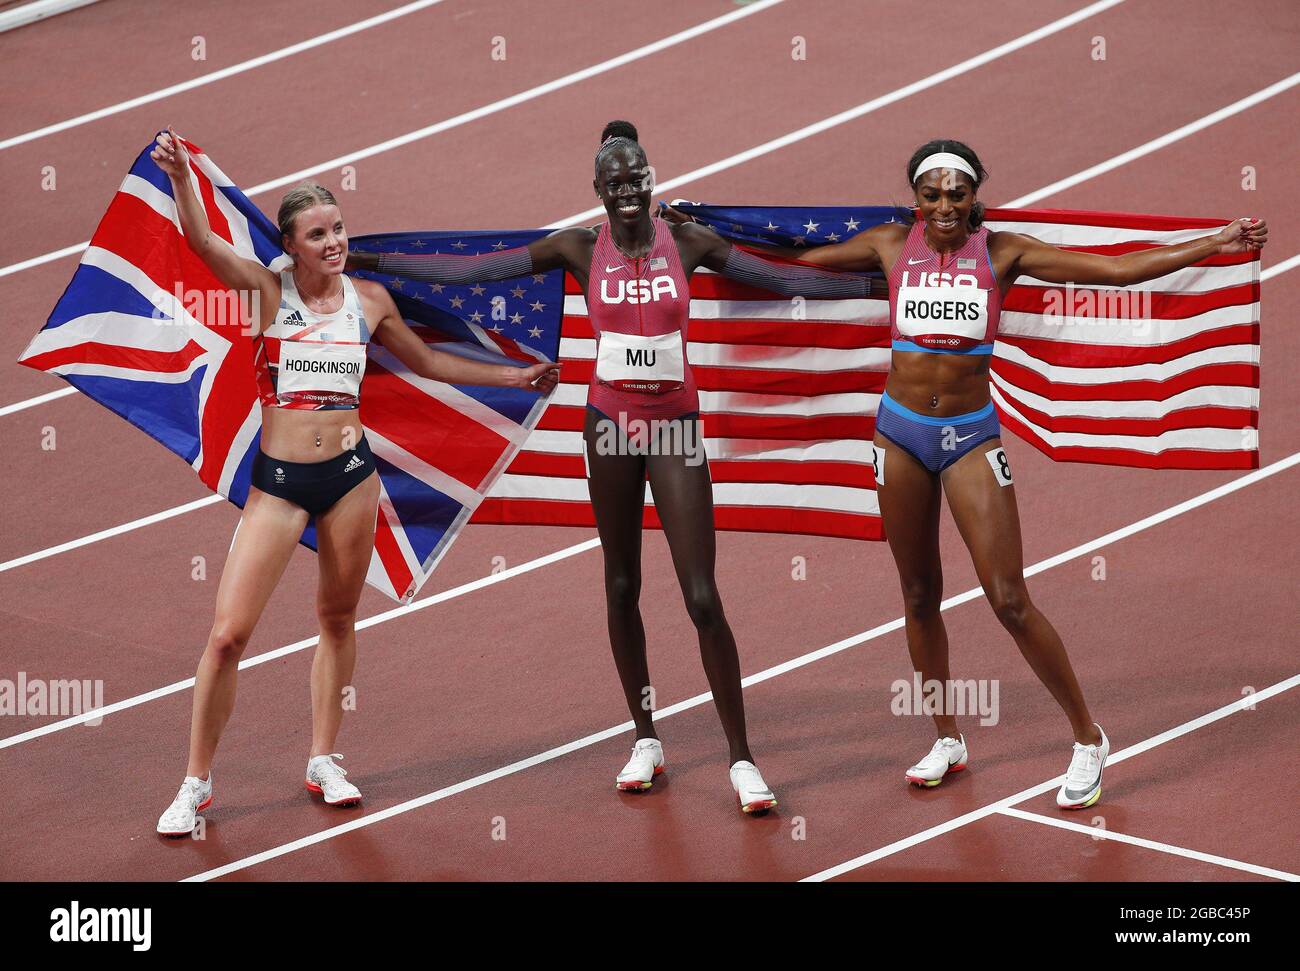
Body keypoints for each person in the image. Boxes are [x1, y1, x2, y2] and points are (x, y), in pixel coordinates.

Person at [673, 138, 1267, 808]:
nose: (946, 205)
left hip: (969, 438)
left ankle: (1088, 736)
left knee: (1008, 597)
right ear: (917, 200)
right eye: (934, 194)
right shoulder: (891, 244)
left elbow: (1116, 270)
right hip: (898, 434)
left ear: (974, 196)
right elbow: (788, 268)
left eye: (958, 193)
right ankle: (948, 737)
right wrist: (696, 238)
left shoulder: (1004, 252)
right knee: (919, 594)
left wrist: (1213, 244)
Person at [350, 121, 872, 813]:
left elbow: (775, 276)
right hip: (609, 428)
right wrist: (371, 263)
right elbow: (472, 271)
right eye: (616, 183)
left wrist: (878, 283)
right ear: (598, 191)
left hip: (676, 429)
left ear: (652, 179)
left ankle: (742, 758)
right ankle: (646, 736)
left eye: (638, 178)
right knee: (621, 582)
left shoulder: (687, 242)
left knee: (702, 595)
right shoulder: (576, 247)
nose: (629, 191)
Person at [150, 128, 558, 836]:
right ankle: (195, 781)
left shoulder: (368, 302)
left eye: (338, 228)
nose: (334, 241)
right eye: (318, 233)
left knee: (337, 619)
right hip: (278, 485)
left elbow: (428, 365)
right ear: (290, 244)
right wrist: (184, 179)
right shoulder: (264, 290)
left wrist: (513, 376)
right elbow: (203, 245)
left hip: (350, 479)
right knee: (226, 636)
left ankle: (324, 759)